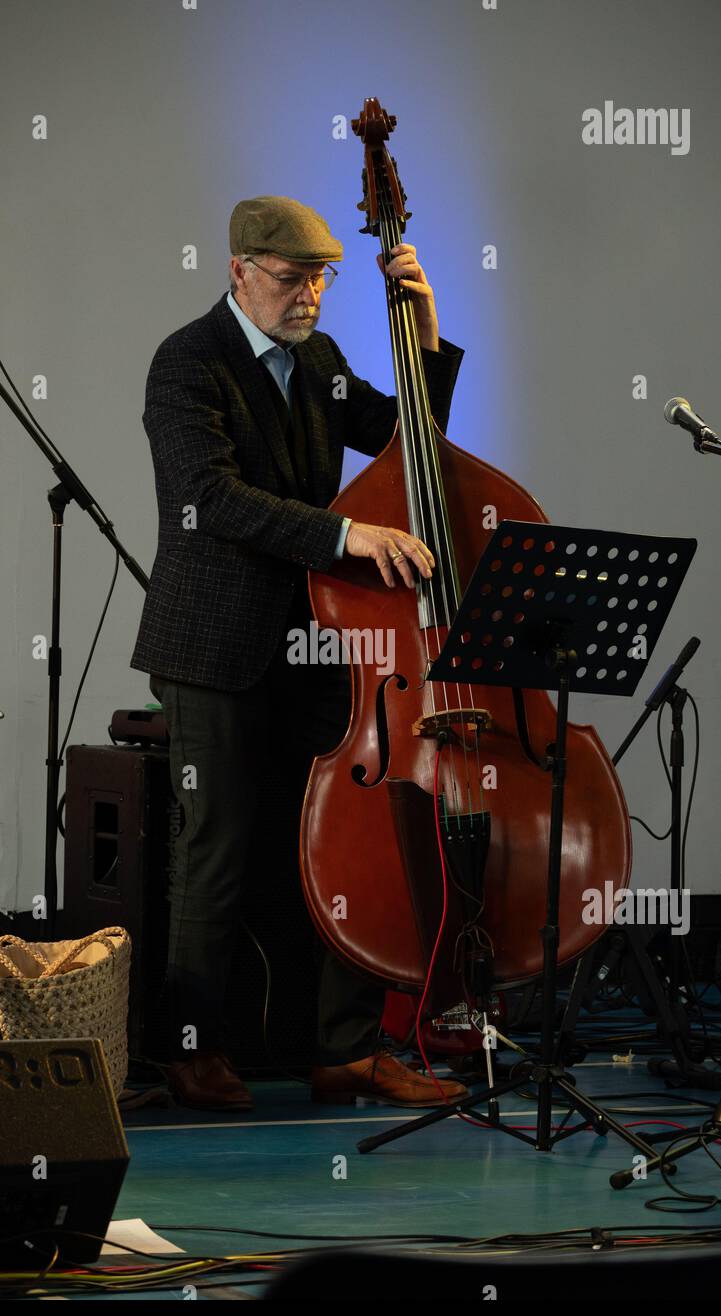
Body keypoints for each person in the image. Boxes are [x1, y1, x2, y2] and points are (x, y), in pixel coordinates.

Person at [131, 195, 469, 1111]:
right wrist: (347, 536)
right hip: (216, 648)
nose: (310, 296)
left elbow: (411, 446)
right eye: (290, 279)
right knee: (221, 850)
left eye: (322, 278)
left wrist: (426, 335)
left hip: (318, 644)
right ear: (239, 269)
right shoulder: (186, 364)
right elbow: (213, 499)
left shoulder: (318, 359)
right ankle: (193, 1051)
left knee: (342, 841)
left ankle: (347, 1050)